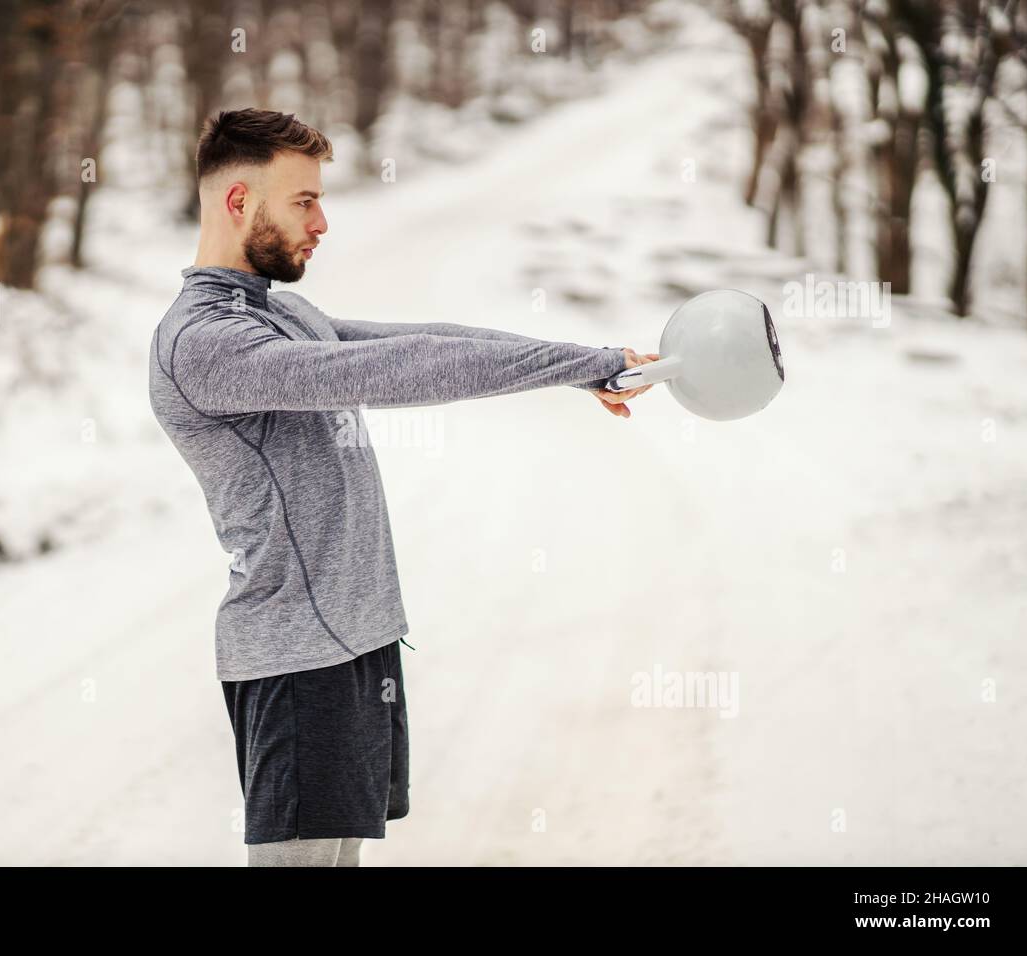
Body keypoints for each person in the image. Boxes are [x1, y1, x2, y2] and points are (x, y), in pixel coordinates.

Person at [147, 108, 658, 867]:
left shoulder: (281, 313)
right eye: (304, 201)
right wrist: (572, 367)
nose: (322, 222)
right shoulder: (206, 343)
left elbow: (432, 340)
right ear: (237, 201)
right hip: (297, 664)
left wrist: (585, 363)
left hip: (355, 642)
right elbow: (396, 371)